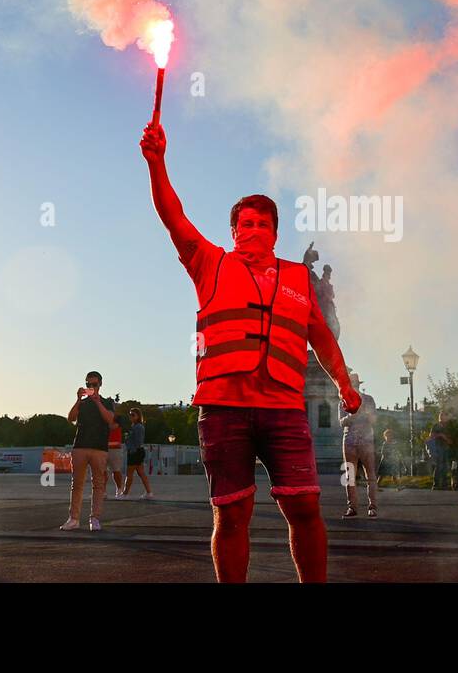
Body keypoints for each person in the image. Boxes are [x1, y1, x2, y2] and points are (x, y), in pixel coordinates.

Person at [140, 117, 360, 583]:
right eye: (245, 224)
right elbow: (173, 216)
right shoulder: (209, 262)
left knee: (305, 507)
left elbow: (320, 335)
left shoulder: (298, 278)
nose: (253, 229)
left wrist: (343, 383)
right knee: (232, 514)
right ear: (234, 231)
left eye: (262, 223)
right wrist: (158, 164)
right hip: (224, 408)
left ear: (275, 233)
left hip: (283, 406)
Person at [62, 371, 116, 532]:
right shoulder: (82, 403)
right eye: (88, 385)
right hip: (80, 445)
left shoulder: (107, 402)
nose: (91, 387)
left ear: (100, 384)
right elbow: (70, 418)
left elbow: (110, 420)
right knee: (77, 484)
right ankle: (74, 519)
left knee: (98, 484)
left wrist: (98, 402)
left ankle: (95, 518)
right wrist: (78, 399)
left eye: (94, 384)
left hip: (99, 448)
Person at [340, 372, 378, 518]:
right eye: (352, 383)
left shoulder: (368, 400)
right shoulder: (343, 401)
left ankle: (372, 506)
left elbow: (374, 419)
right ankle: (352, 507)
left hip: (366, 440)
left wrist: (365, 414)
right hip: (349, 441)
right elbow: (341, 422)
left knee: (371, 475)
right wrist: (353, 415)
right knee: (349, 475)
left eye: (356, 383)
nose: (354, 386)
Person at [120, 407, 154, 499]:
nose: (130, 417)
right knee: (141, 472)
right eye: (130, 415)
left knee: (130, 473)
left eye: (133, 415)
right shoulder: (135, 426)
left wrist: (130, 443)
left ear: (138, 416)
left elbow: (138, 441)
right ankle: (149, 492)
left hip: (135, 452)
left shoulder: (138, 427)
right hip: (137, 451)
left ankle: (125, 493)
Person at [107, 401, 128, 500]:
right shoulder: (104, 417)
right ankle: (102, 491)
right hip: (104, 448)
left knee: (116, 470)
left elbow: (114, 426)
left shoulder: (117, 418)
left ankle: (119, 490)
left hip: (114, 448)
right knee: (102, 471)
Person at [425, 416, 452, 490]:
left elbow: (450, 439)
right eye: (441, 416)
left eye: (444, 416)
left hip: (446, 447)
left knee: (445, 467)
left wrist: (446, 438)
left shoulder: (448, 427)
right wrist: (440, 435)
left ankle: (444, 484)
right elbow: (431, 436)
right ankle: (436, 484)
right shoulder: (436, 426)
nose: (442, 418)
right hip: (438, 447)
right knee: (439, 466)